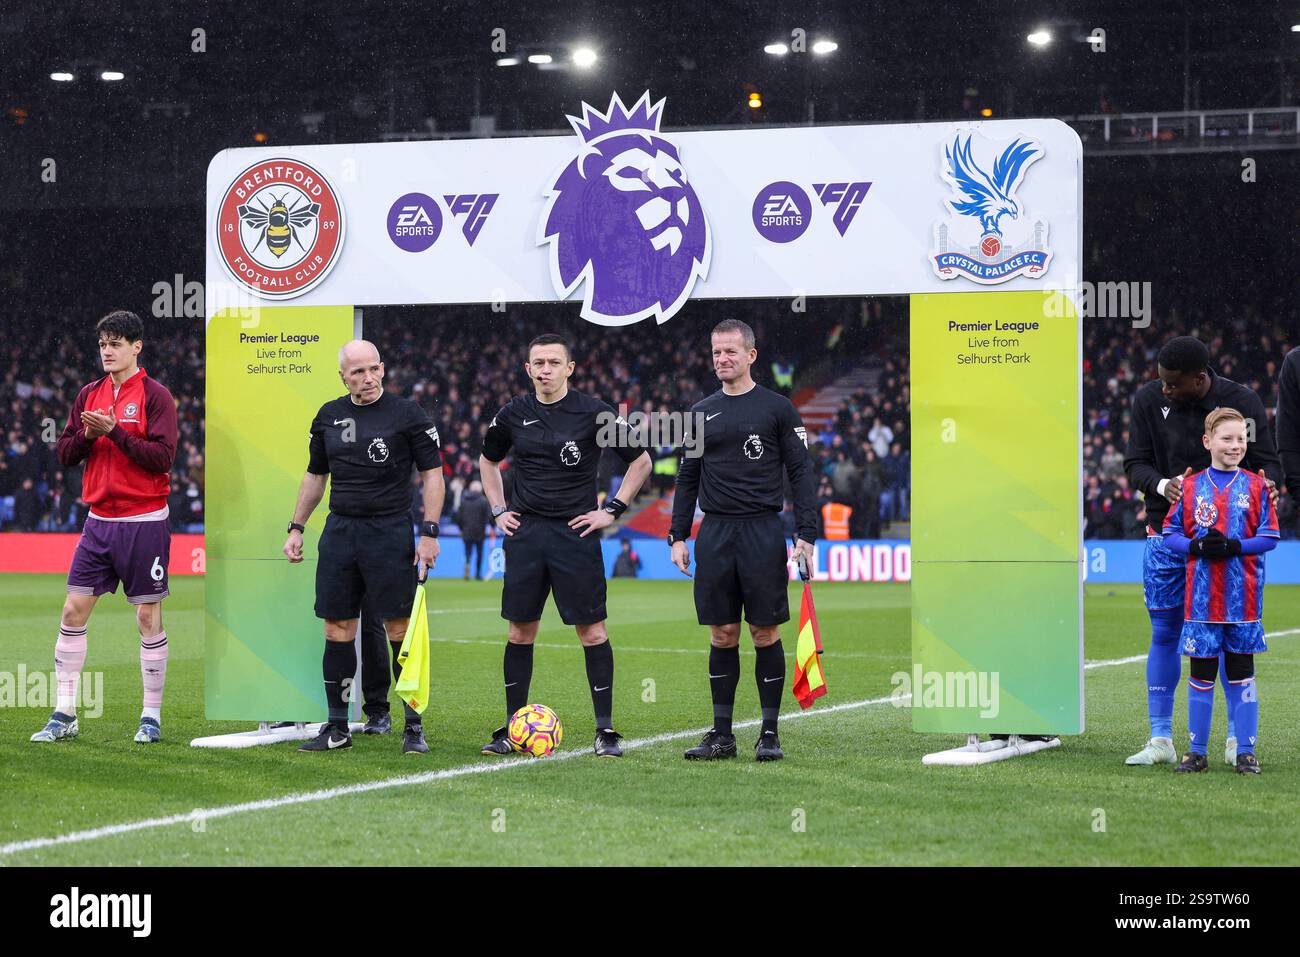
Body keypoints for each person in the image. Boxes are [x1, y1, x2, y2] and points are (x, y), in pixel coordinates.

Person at [478, 334, 652, 758]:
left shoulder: (595, 412)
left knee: (592, 631)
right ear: (527, 368)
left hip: (576, 534)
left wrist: (611, 510)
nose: (545, 370)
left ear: (569, 368)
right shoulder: (513, 413)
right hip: (526, 534)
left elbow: (641, 461)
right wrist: (500, 510)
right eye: (538, 362)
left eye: (554, 362)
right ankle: (513, 727)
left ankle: (605, 731)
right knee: (520, 630)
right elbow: (488, 461)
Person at [1122, 335, 1278, 766]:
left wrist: (1270, 486)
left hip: (1232, 547)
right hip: (1167, 537)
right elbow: (1135, 462)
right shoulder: (1148, 400)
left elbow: (1267, 461)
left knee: (1231, 639)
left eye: (1172, 384)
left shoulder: (1241, 401)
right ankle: (1160, 740)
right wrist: (1162, 485)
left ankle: (1235, 743)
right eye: (1161, 382)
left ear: (1199, 379)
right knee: (1167, 633)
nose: (1164, 389)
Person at [283, 340, 444, 755]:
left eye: (373, 369)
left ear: (383, 369)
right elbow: (315, 476)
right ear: (343, 376)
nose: (367, 378)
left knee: (398, 630)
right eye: (357, 372)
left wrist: (429, 532)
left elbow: (432, 475)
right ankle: (337, 727)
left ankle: (413, 726)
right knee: (337, 628)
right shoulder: (329, 416)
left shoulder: (408, 414)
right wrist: (296, 527)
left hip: (390, 532)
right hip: (340, 532)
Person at [669, 318, 818, 762]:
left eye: (731, 351)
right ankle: (722, 736)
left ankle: (769, 732)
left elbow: (801, 472)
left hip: (761, 530)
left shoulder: (778, 409)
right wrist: (679, 533)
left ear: (751, 355)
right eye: (716, 352)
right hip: (714, 532)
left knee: (763, 630)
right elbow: (687, 476)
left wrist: (806, 533)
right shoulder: (699, 412)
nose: (722, 359)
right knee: (722, 633)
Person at [31, 310, 178, 745]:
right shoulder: (88, 395)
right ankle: (65, 712)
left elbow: (163, 458)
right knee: (72, 612)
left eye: (116, 343)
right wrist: (90, 436)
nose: (107, 351)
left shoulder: (157, 397)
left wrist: (114, 433)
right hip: (99, 522)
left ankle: (150, 716)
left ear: (137, 347)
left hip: (144, 521)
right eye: (102, 345)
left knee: (147, 616)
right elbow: (64, 454)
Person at [1161, 408, 1277, 773]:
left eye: (1241, 438)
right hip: (1201, 603)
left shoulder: (1257, 486)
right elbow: (1170, 534)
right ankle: (1196, 753)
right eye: (1227, 438)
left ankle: (1245, 752)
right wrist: (1195, 547)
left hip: (1242, 602)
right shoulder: (1191, 486)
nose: (1236, 445)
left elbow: (1270, 537)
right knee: (1202, 674)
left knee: (1242, 672)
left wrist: (1234, 547)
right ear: (1207, 441)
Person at [457, 479, 493, 580]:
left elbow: (459, 517)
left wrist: (461, 528)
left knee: (468, 552)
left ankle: (467, 566)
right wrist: (491, 526)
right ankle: (478, 573)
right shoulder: (483, 501)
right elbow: (488, 516)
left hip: (467, 531)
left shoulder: (464, 501)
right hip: (479, 531)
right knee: (479, 553)